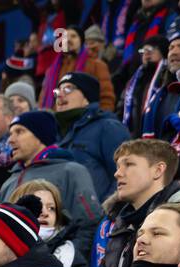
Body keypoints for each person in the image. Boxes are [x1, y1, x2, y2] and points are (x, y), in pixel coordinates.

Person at [94, 138, 180, 267]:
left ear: (158, 170)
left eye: (129, 164)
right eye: (117, 166)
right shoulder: (120, 222)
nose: (117, 173)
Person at [0, 110, 102, 252]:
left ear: (41, 136)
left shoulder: (71, 171)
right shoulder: (9, 182)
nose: (11, 140)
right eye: (10, 133)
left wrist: (67, 261)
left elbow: (89, 224)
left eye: (19, 132)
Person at [55, 70, 131, 200]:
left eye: (68, 89)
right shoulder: (56, 131)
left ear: (87, 98)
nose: (60, 95)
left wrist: (106, 211)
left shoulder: (108, 127)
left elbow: (125, 174)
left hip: (98, 216)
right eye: (58, 91)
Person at [9, 180, 84, 267]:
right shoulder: (2, 249)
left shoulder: (70, 254)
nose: (45, 213)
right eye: (36, 206)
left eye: (51, 208)